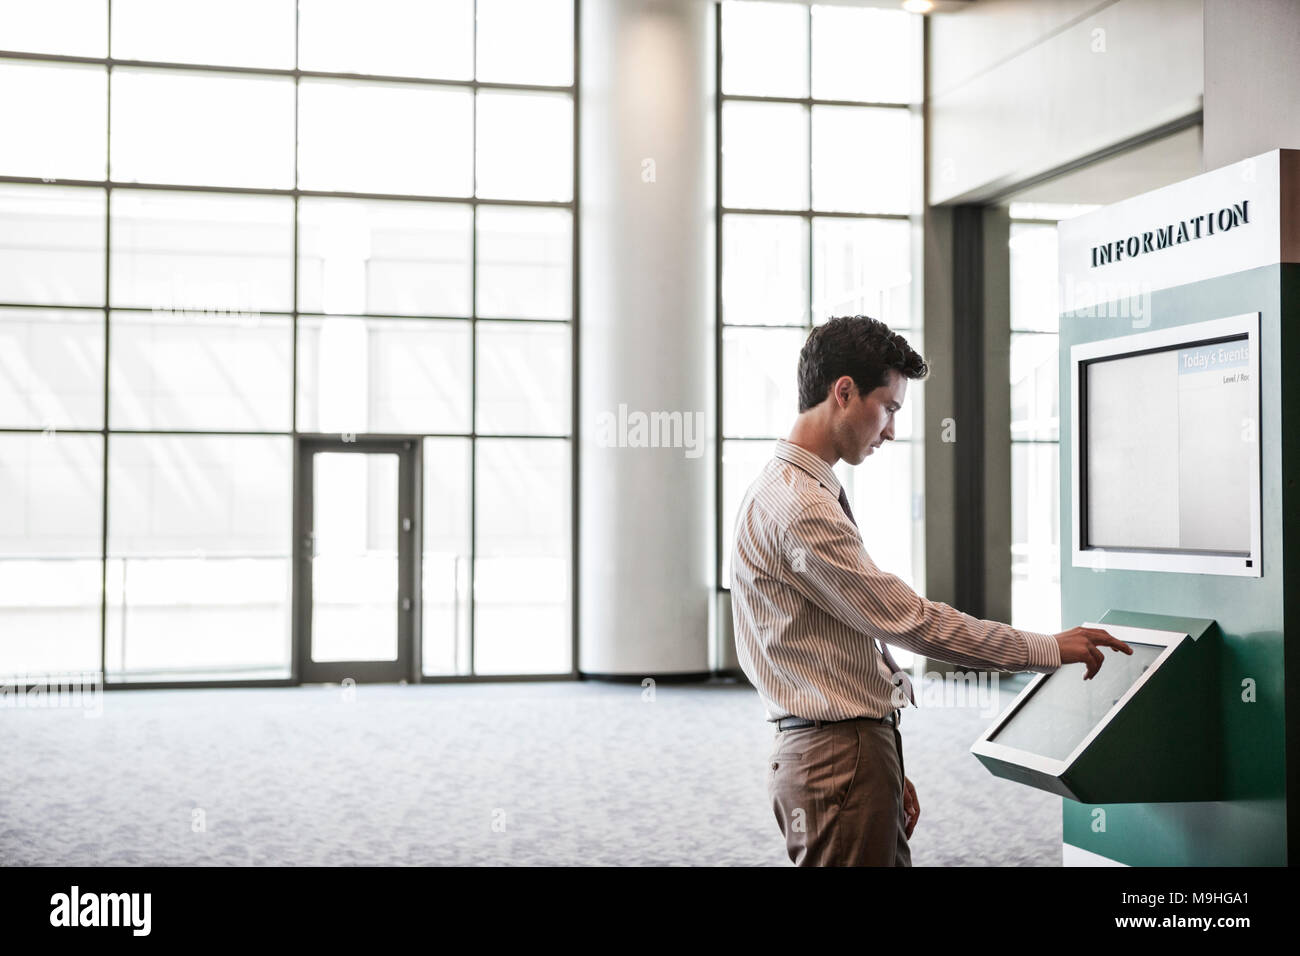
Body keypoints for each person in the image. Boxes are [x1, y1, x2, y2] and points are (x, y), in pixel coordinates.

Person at [730, 314, 1132, 866]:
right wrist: (1048, 648)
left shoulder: (778, 487)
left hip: (839, 754)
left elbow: (838, 641)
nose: (891, 430)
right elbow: (912, 621)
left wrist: (881, 765)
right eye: (889, 408)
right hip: (835, 758)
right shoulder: (801, 507)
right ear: (843, 393)